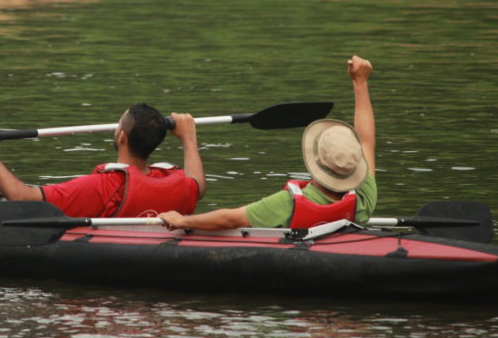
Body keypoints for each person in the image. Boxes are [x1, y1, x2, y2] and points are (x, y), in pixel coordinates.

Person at [160, 55, 375, 231]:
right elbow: (366, 140)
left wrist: (182, 220)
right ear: (355, 166)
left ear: (316, 160)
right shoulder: (364, 198)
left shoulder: (287, 204)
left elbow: (229, 219)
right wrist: (361, 83)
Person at [0, 103, 205, 218]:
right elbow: (198, 184)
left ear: (122, 137)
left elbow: (21, 196)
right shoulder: (176, 182)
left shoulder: (101, 187)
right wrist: (188, 137)